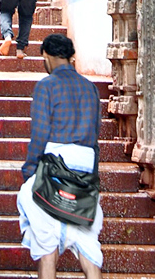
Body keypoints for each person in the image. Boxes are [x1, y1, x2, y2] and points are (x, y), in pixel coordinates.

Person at [17, 34, 103, 279]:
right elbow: (95, 138)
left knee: (46, 249)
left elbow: (40, 134)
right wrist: (91, 179)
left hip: (52, 170)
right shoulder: (90, 88)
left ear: (46, 55)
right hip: (85, 172)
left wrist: (29, 171)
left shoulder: (46, 86)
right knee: (89, 251)